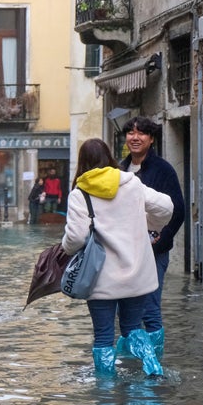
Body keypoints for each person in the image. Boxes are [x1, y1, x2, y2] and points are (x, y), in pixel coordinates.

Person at [61, 138, 173, 377]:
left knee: (103, 336)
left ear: (82, 163)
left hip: (101, 279)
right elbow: (166, 207)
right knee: (133, 328)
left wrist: (65, 249)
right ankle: (152, 365)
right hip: (137, 275)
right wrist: (152, 228)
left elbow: (76, 238)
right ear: (109, 158)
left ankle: (106, 392)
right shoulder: (132, 184)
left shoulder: (80, 194)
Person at [116, 116, 185, 360]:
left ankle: (154, 363)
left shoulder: (163, 169)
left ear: (151, 138)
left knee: (149, 308)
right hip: (125, 252)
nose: (135, 138)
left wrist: (161, 242)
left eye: (141, 133)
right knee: (126, 309)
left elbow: (178, 210)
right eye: (131, 133)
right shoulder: (120, 169)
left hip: (154, 250)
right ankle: (135, 360)